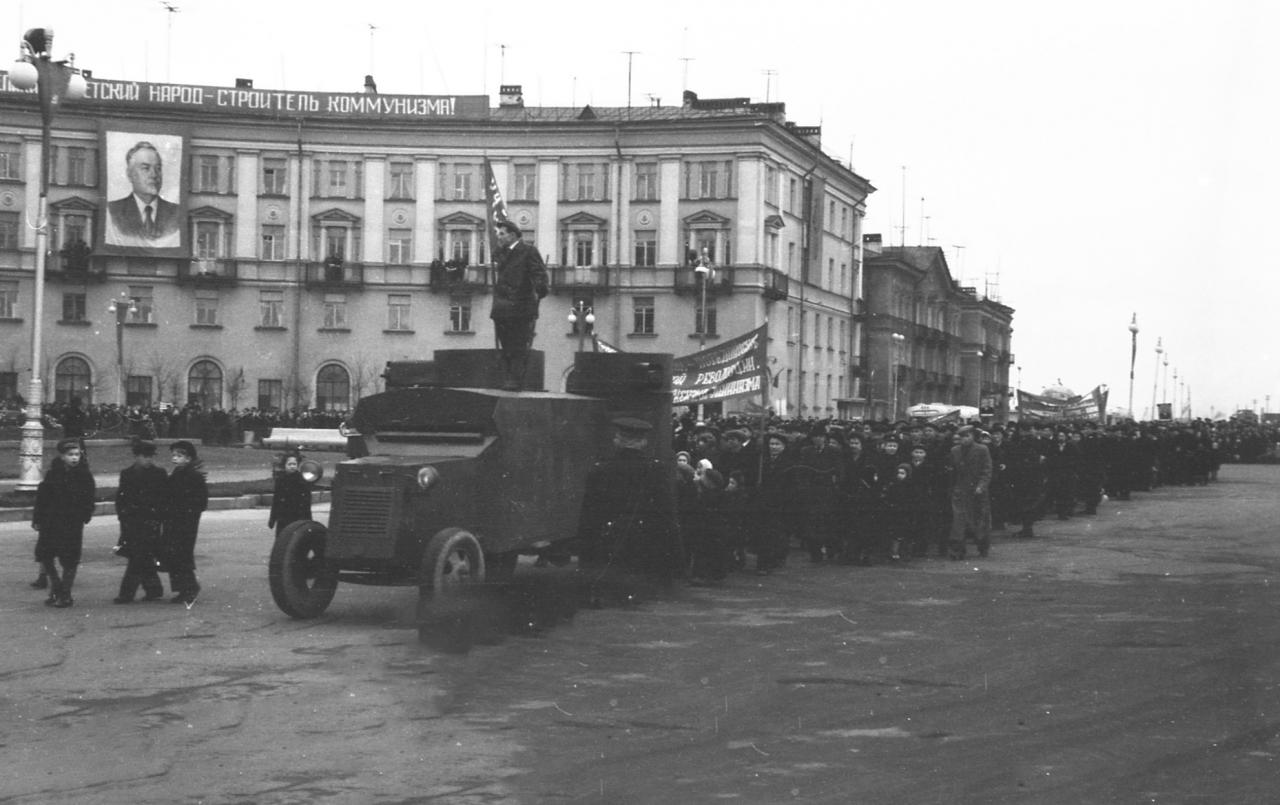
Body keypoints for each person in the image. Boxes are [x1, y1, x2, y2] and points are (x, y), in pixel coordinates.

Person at [575, 417, 682, 599]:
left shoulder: (601, 469)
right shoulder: (656, 470)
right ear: (643, 442)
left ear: (617, 440)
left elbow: (590, 511)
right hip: (645, 535)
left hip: (609, 534)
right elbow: (666, 511)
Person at [32, 438, 96, 608]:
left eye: (77, 454)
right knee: (46, 556)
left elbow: (89, 497)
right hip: (51, 522)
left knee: (70, 559)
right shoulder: (53, 474)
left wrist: (85, 515)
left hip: (72, 524)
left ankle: (65, 594)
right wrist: (37, 519)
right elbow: (42, 498)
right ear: (62, 456)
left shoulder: (84, 475)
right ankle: (56, 588)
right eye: (70, 455)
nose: (74, 458)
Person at [488, 220, 548, 390]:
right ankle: (508, 377)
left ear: (513, 235)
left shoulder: (528, 251)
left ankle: (514, 379)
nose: (498, 237)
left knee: (518, 344)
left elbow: (538, 272)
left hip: (520, 305)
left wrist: (540, 287)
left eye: (502, 234)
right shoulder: (500, 253)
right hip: (501, 307)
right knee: (505, 343)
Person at [113, 439, 168, 603]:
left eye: (151, 456)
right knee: (141, 556)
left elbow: (164, 498)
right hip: (132, 520)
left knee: (138, 556)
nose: (149, 460)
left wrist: (159, 517)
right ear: (136, 456)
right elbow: (121, 497)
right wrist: (122, 516)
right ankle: (154, 589)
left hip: (150, 520)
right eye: (145, 456)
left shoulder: (159, 473)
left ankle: (126, 593)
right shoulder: (127, 473)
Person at [105, 141, 181, 247]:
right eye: (146, 168)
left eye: (158, 168)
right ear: (130, 174)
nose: (154, 175)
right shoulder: (113, 211)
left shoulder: (176, 213)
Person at [161, 440, 208, 604]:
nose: (175, 458)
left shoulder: (193, 476)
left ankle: (190, 587)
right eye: (173, 455)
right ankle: (182, 589)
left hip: (185, 523)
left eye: (179, 456)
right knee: (173, 555)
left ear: (188, 458)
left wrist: (188, 514)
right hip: (173, 520)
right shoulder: (177, 473)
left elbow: (201, 501)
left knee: (182, 555)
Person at [947, 425, 993, 559]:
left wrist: (981, 486)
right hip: (960, 491)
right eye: (962, 437)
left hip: (977, 491)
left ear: (973, 437)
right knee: (958, 521)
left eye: (967, 436)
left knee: (979, 520)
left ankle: (983, 546)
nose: (964, 439)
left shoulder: (982, 449)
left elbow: (987, 470)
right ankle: (957, 551)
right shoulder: (955, 450)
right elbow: (952, 472)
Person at [268, 450, 314, 537]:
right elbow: (276, 500)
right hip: (284, 515)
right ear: (284, 466)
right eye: (289, 464)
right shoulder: (281, 480)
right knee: (282, 538)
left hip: (299, 515)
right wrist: (272, 519)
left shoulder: (302, 480)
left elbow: (307, 502)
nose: (292, 466)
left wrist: (309, 520)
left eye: (294, 464)